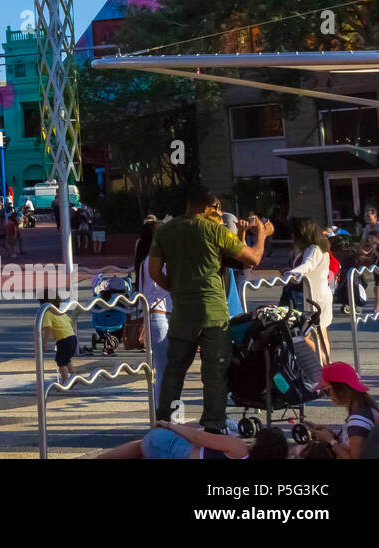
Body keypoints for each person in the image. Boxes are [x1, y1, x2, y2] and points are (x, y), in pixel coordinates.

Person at [149, 186, 273, 431]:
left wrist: (175, 289)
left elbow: (154, 272)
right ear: (207, 208)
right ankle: (214, 425)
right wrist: (262, 234)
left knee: (175, 370)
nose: (219, 215)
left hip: (182, 313)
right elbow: (253, 258)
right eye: (217, 210)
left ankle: (164, 422)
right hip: (213, 313)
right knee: (215, 371)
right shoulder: (214, 231)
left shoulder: (165, 232)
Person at [304, 362, 379, 458]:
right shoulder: (365, 408)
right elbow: (351, 441)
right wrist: (331, 435)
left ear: (341, 388)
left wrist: (331, 441)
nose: (328, 396)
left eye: (327, 391)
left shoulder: (357, 421)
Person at [97, 423, 288, 460]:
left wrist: (170, 425)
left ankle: (103, 458)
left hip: (168, 448)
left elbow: (199, 438)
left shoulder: (238, 448)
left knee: (145, 443)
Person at [284, 218, 334, 362]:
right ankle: (327, 364)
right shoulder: (320, 248)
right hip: (321, 295)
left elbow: (308, 265)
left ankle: (324, 360)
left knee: (303, 334)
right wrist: (292, 271)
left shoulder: (313, 249)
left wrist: (293, 273)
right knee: (321, 334)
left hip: (314, 298)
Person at [134, 217, 170, 407]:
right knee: (165, 371)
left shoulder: (143, 260)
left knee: (162, 369)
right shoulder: (154, 262)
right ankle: (164, 413)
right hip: (159, 316)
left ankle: (162, 412)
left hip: (152, 316)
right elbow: (166, 287)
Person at [40, 293, 76, 384]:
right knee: (66, 359)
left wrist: (44, 343)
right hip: (72, 337)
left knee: (61, 362)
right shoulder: (59, 311)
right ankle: (74, 377)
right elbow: (70, 323)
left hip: (63, 340)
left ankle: (65, 382)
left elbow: (47, 329)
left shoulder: (48, 313)